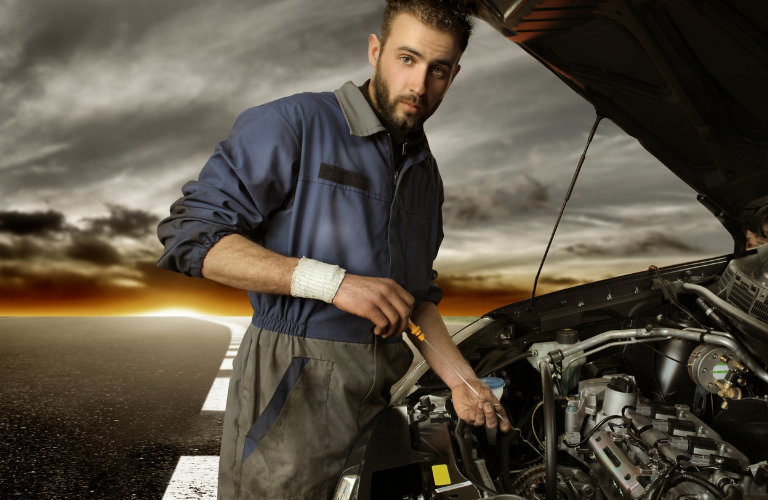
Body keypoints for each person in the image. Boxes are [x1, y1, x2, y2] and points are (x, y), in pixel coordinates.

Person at [156, 1, 510, 498]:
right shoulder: (292, 123)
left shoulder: (425, 172)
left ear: (453, 75)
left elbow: (416, 301)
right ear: (375, 50)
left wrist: (463, 381)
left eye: (438, 70)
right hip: (289, 387)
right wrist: (332, 283)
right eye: (406, 59)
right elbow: (191, 236)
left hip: (376, 401)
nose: (419, 85)